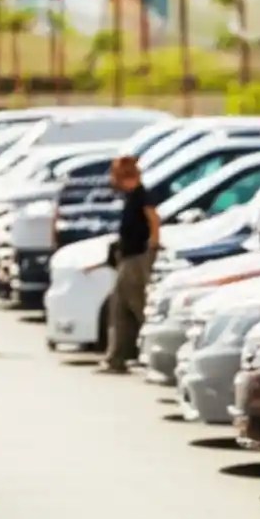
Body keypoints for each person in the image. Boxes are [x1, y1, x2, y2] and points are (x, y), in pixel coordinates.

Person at [100, 156, 158, 374]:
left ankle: (154, 353)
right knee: (119, 309)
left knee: (139, 306)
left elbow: (153, 219)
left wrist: (153, 243)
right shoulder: (131, 196)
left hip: (136, 259)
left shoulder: (142, 195)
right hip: (127, 257)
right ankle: (116, 357)